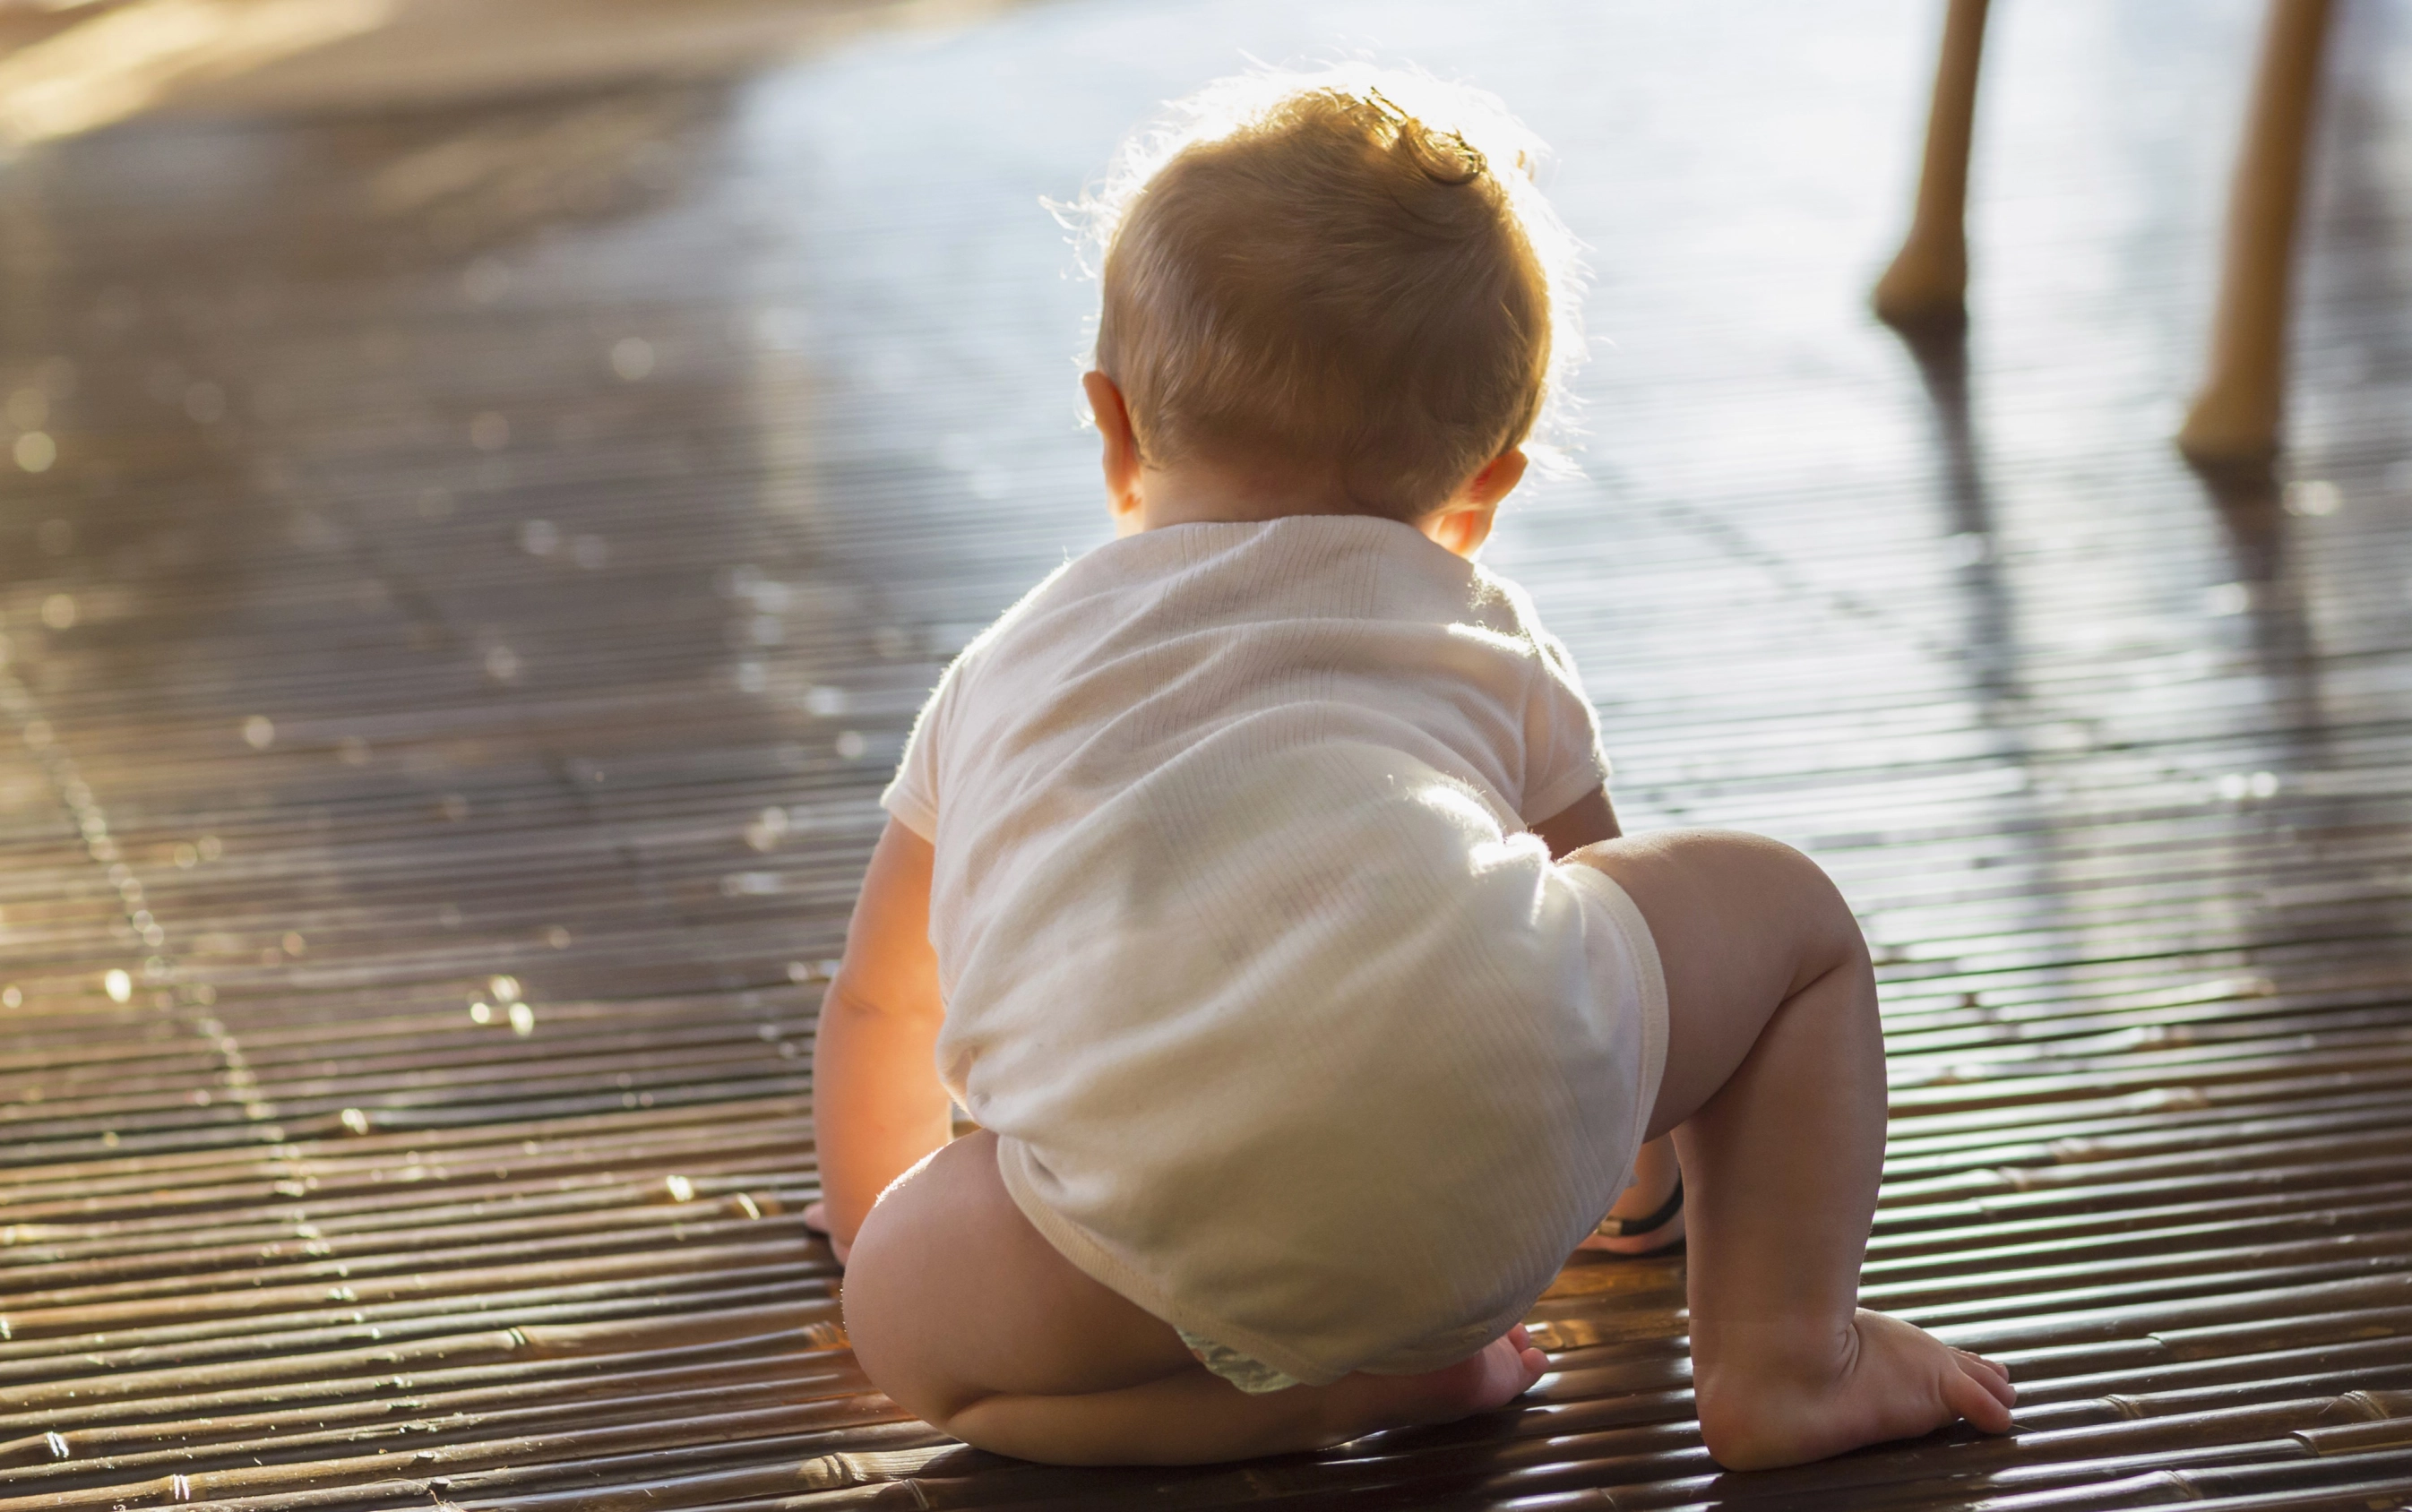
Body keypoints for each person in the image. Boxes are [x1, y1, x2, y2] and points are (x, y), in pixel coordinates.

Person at [802, 65, 2016, 1470]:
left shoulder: (1010, 668)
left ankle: (1322, 1403)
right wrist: (1628, 1182)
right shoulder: (1483, 635)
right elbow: (1602, 904)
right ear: (1483, 488)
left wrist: (875, 1215)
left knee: (908, 1316)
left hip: (1131, 1246)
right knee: (1792, 923)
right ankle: (1788, 1359)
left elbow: (886, 999)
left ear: (1115, 425)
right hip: (1489, 1204)